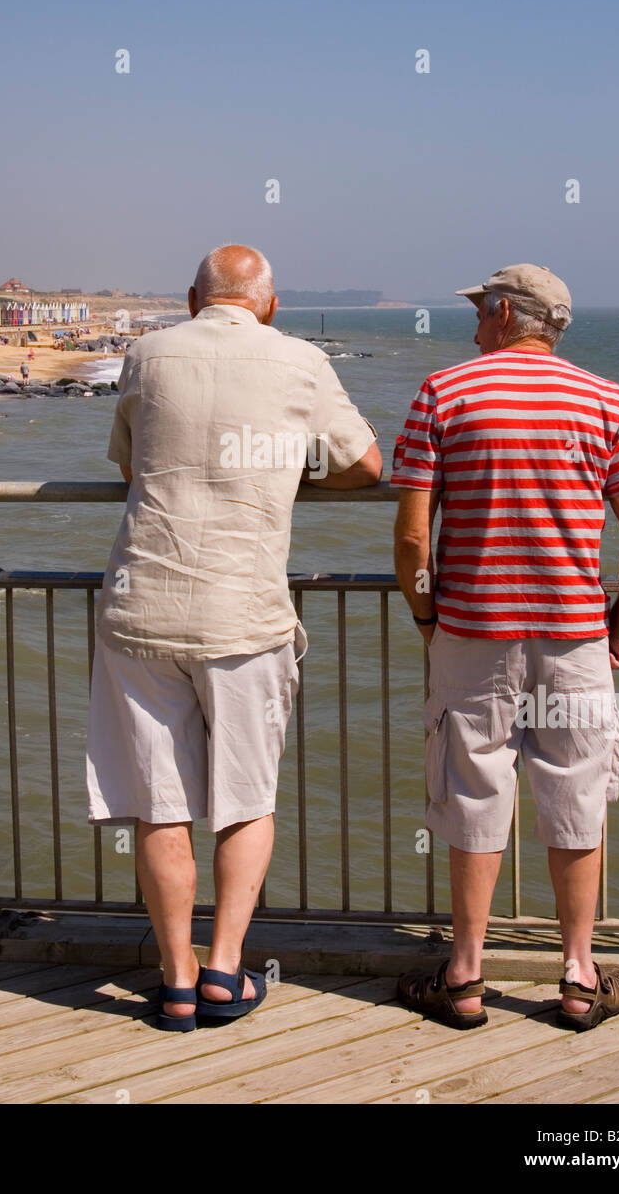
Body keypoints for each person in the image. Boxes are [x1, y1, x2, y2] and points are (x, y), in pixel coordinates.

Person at [86, 244, 382, 1032]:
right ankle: (224, 971)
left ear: (192, 300)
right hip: (245, 617)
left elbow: (130, 468)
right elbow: (366, 465)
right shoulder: (302, 360)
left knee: (160, 805)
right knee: (246, 799)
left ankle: (175, 979)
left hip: (140, 609)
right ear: (272, 305)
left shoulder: (146, 353)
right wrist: (291, 469)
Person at [392, 264, 619, 1032]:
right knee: (576, 796)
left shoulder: (444, 392)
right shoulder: (607, 399)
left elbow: (414, 534)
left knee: (475, 793)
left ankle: (467, 976)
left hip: (472, 636)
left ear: (507, 313)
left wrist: (424, 617)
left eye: (481, 310)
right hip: (574, 638)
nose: (475, 323)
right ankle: (579, 977)